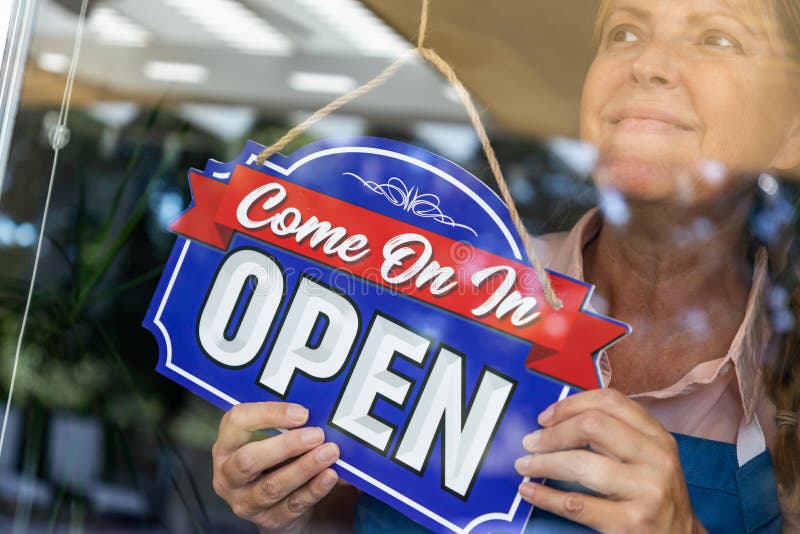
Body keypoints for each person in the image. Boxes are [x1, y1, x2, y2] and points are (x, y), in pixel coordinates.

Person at [210, 0, 800, 531]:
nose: (647, 64)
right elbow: (339, 510)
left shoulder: (787, 374)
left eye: (717, 38)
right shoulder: (438, 286)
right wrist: (285, 495)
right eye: (623, 31)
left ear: (791, 131)